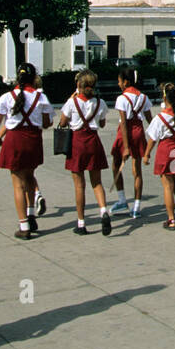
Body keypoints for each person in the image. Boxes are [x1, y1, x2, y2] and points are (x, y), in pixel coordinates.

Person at [0, 62, 52, 240]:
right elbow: (47, 123)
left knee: (18, 183)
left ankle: (23, 225)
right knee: (30, 177)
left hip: (14, 139)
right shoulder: (41, 97)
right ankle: (31, 214)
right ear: (34, 78)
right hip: (33, 139)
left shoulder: (7, 97)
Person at [59, 69, 112, 235]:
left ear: (78, 85)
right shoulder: (99, 102)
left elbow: (62, 122)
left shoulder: (72, 103)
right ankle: (104, 210)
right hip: (93, 141)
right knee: (97, 182)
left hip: (77, 141)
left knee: (79, 185)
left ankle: (81, 223)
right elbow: (102, 123)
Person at [144, 83, 175, 230]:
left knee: (167, 186)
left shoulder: (160, 118)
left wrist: (146, 154)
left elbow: (152, 139)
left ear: (165, 98)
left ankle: (171, 219)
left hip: (166, 150)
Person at [110, 66, 151, 218]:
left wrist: (126, 147)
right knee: (137, 169)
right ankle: (137, 206)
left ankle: (122, 200)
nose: (119, 84)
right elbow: (149, 119)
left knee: (116, 164)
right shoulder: (144, 97)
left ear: (126, 82)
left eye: (120, 81)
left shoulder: (122, 98)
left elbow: (123, 123)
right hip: (139, 131)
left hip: (125, 133)